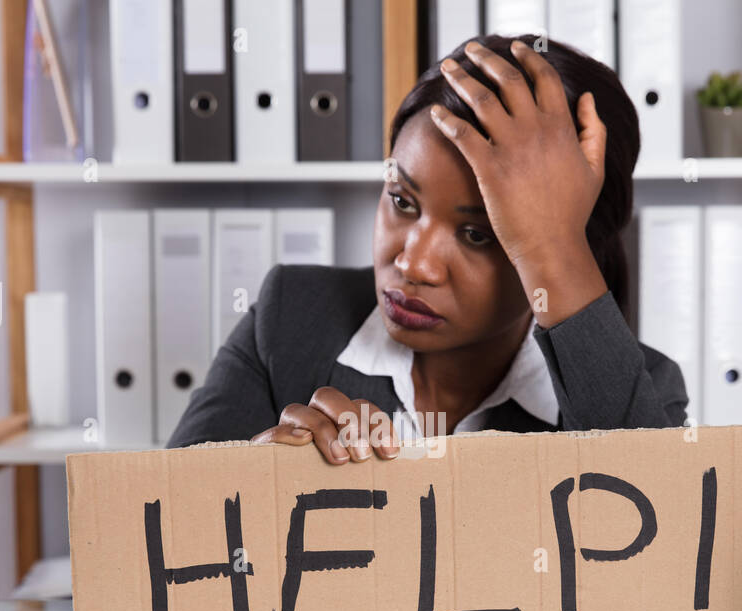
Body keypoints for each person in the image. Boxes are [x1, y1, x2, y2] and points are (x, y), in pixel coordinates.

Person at [167, 34, 689, 463]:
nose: (412, 264)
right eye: (402, 200)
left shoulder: (647, 393)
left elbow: (661, 553)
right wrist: (256, 481)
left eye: (477, 234)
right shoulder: (291, 316)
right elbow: (161, 535)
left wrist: (554, 246)